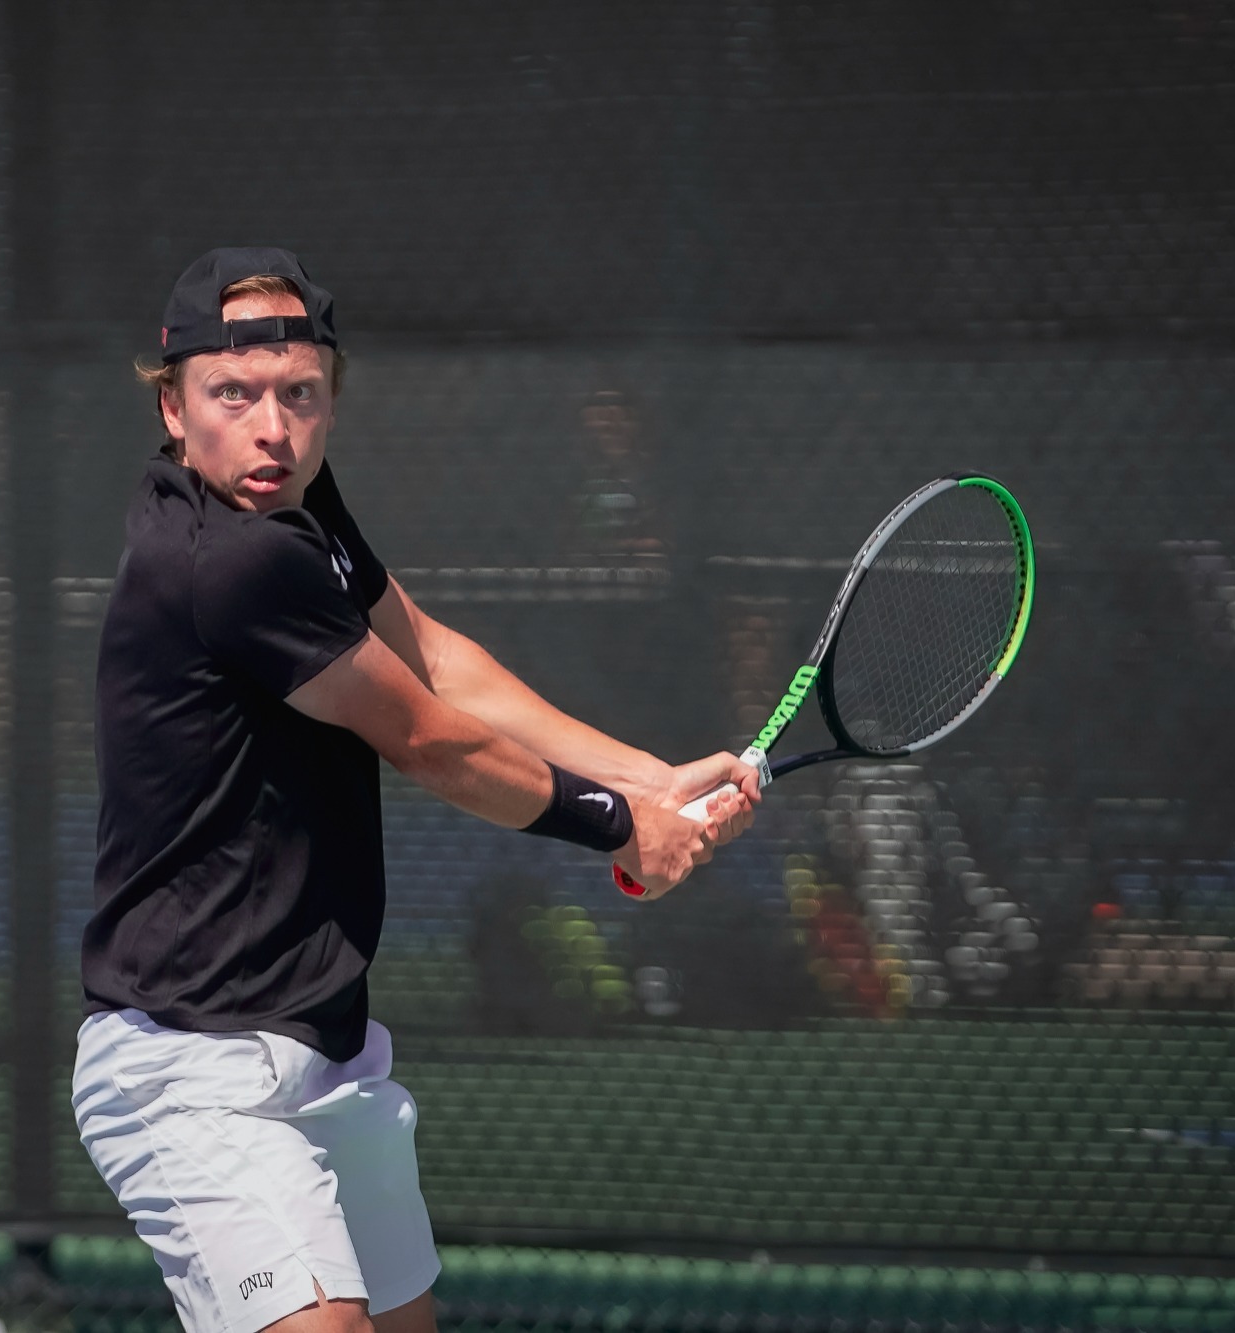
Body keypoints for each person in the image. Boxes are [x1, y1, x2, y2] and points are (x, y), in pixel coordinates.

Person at [71, 247, 762, 1333]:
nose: (271, 429)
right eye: (233, 395)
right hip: (194, 1064)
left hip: (324, 1046)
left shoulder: (300, 509)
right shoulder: (232, 560)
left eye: (299, 395)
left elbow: (432, 658)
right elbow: (430, 740)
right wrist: (620, 828)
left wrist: (646, 778)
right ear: (173, 406)